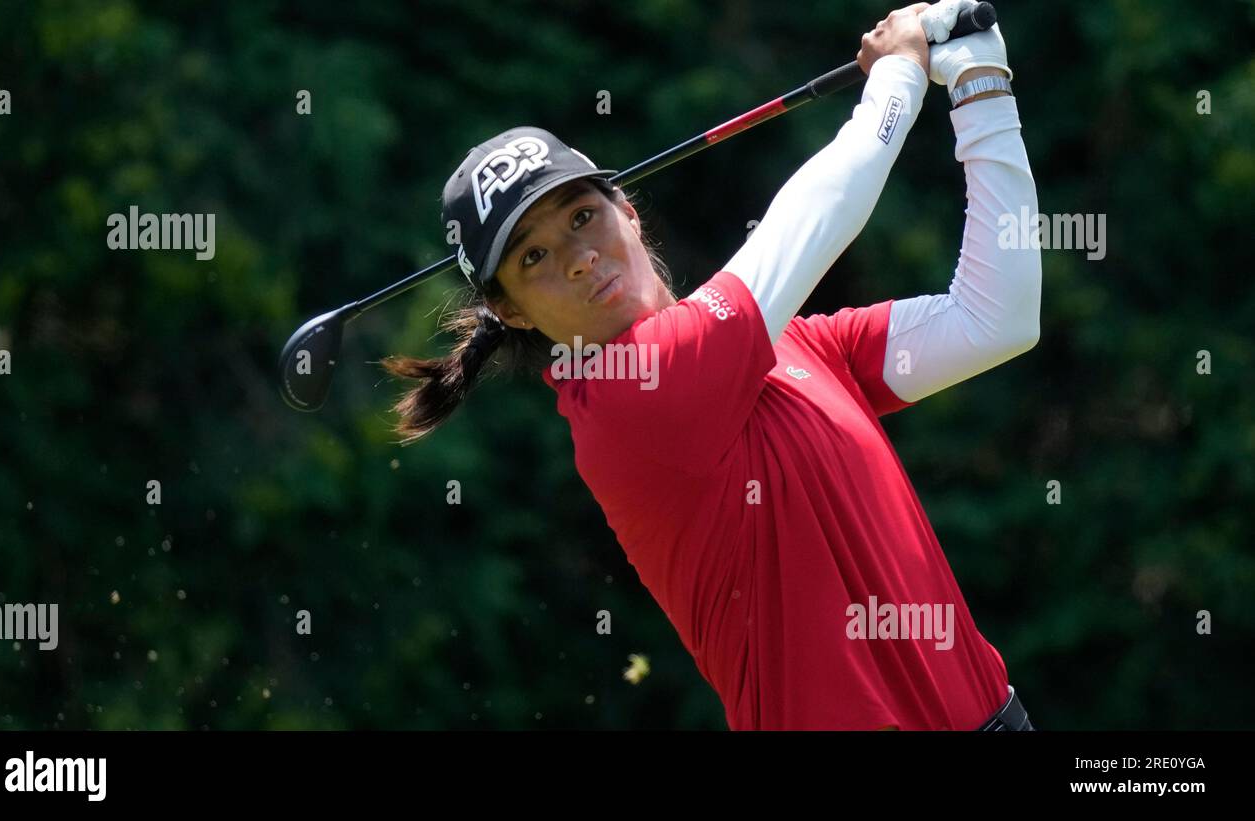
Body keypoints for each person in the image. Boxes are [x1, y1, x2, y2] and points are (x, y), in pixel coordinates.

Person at [384, 0, 1041, 730]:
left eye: (581, 216)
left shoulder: (789, 344)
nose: (579, 258)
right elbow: (812, 220)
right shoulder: (625, 398)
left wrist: (982, 86)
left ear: (626, 209)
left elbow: (995, 319)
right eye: (533, 257)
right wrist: (899, 77)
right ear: (510, 311)